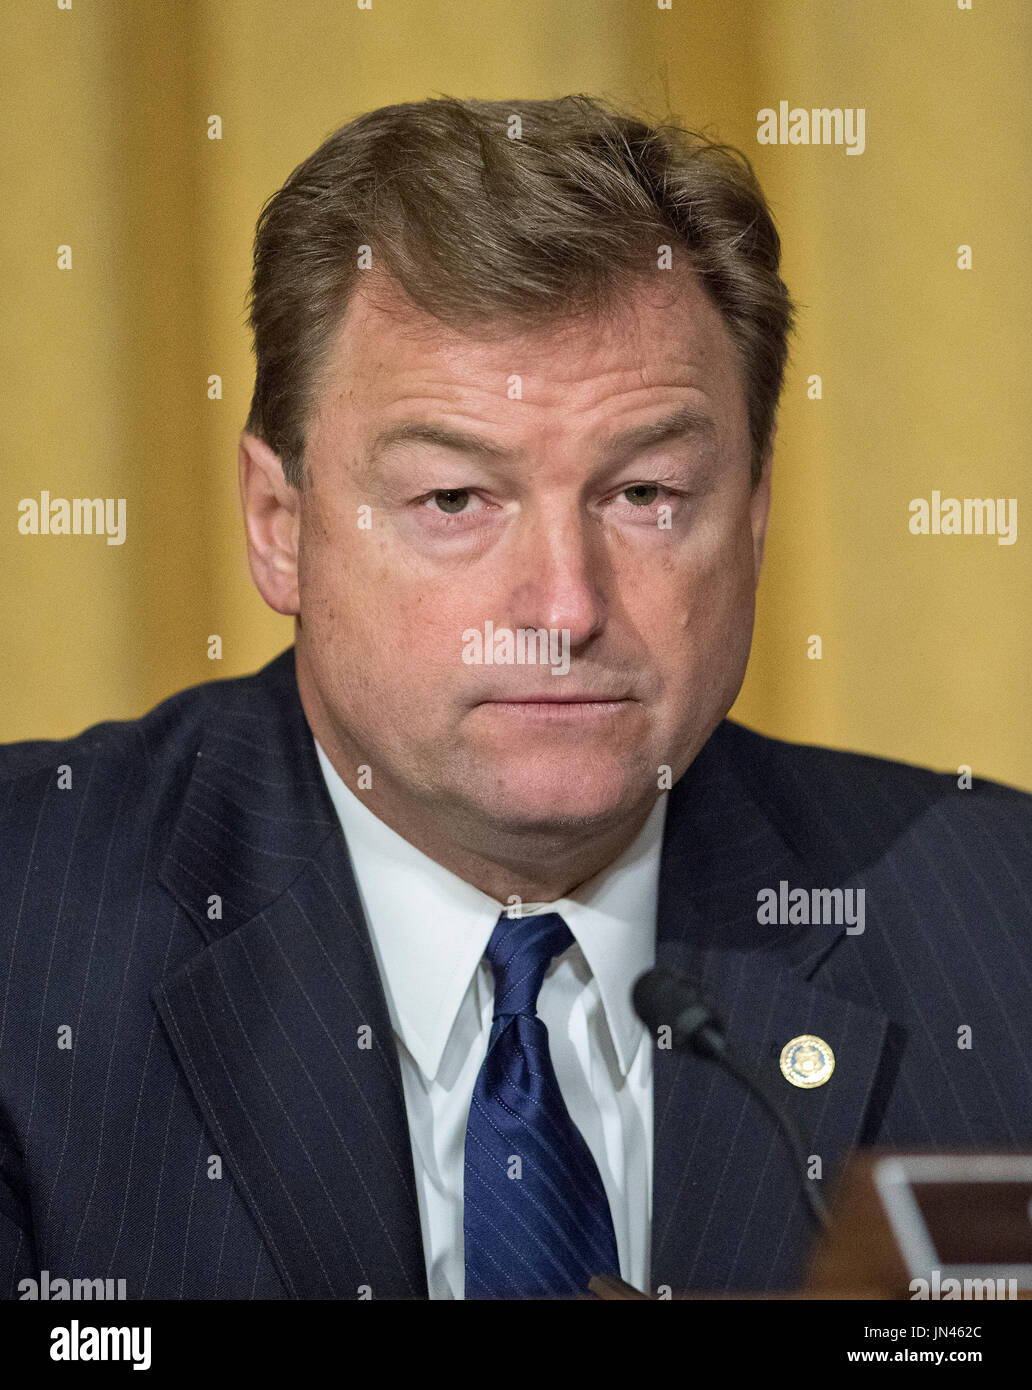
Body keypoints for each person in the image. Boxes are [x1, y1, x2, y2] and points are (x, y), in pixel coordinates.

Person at [2, 95, 1030, 1302]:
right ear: (281, 528)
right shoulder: (27, 926)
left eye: (646, 493)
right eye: (455, 501)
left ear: (751, 519)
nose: (562, 606)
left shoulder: (1000, 928)